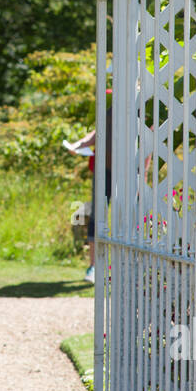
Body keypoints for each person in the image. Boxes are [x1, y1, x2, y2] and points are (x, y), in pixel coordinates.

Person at [65, 99, 111, 285]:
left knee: (127, 217)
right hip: (103, 171)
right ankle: (94, 266)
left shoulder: (142, 108)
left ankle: (119, 265)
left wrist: (144, 172)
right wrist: (79, 145)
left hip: (128, 173)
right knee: (97, 216)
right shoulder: (110, 108)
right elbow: (98, 132)